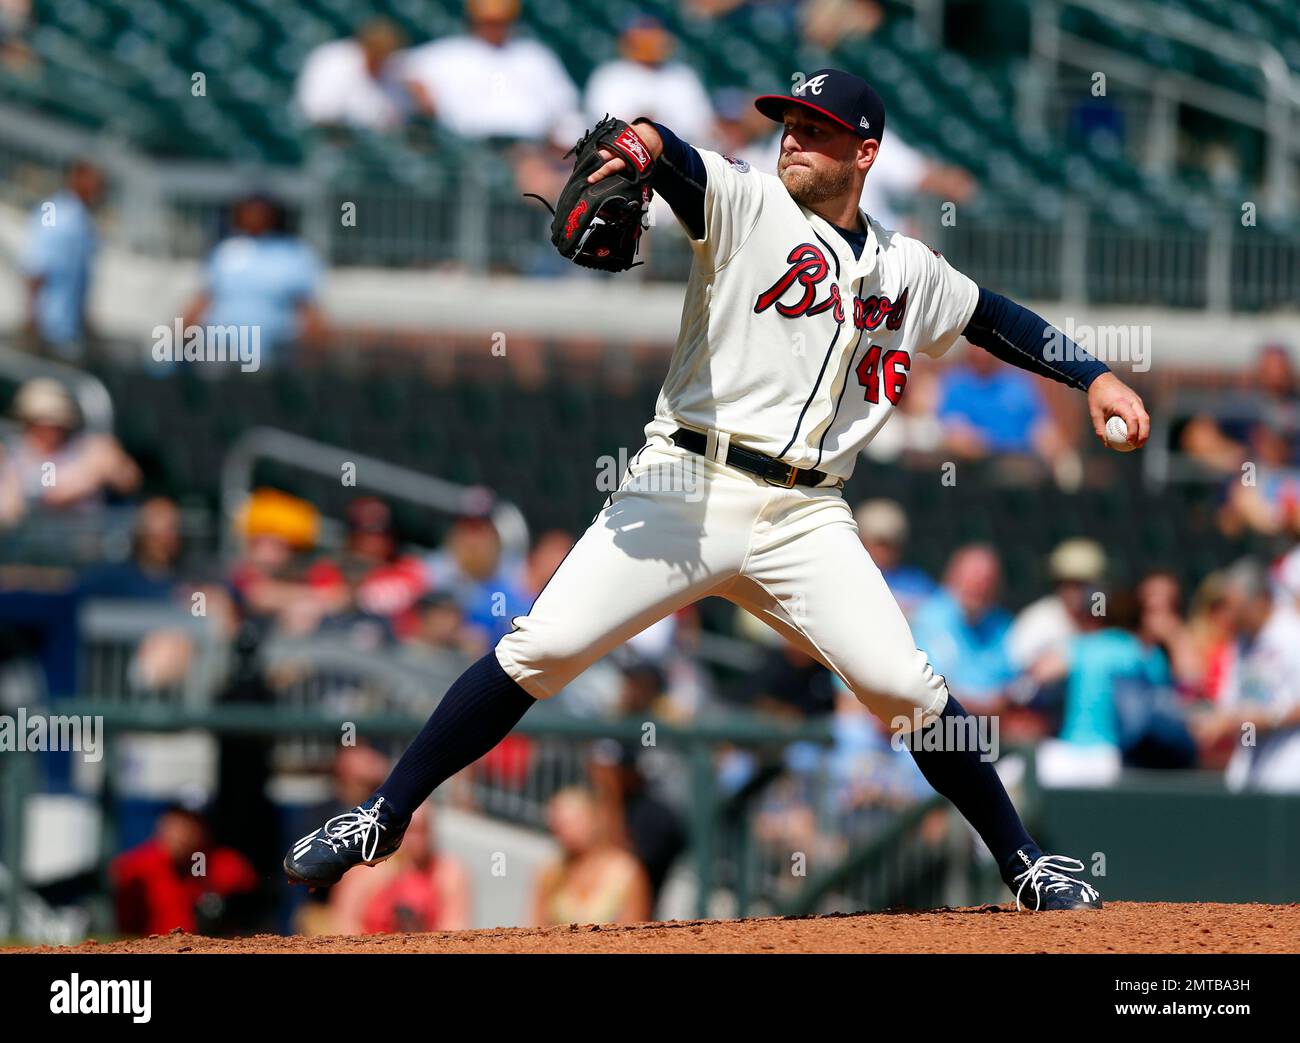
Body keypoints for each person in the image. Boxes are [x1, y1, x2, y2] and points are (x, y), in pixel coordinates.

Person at [286, 67, 1151, 911]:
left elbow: (994, 317)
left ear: (867, 152)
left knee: (908, 687)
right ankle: (383, 814)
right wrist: (637, 146)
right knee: (541, 650)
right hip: (684, 481)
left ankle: (1026, 865)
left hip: (807, 513)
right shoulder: (747, 203)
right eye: (789, 125)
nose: (795, 142)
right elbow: (673, 157)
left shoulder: (905, 267)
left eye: (817, 132)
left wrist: (1096, 377)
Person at [401, 0, 579, 142]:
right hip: (469, 145)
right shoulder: (451, 53)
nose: (494, 27)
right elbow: (401, 67)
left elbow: (563, 104)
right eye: (488, 21)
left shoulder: (533, 55)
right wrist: (423, 95)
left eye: (501, 21)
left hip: (528, 146)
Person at [180, 193, 326, 365]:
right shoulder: (226, 251)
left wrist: (315, 348)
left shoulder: (294, 254)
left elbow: (306, 306)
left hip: (271, 352)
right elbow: (205, 297)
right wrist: (182, 333)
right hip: (220, 348)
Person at [0, 378, 141, 525]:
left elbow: (130, 480)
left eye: (56, 424)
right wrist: (91, 474)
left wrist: (113, 464)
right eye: (40, 423)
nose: (49, 431)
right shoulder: (12, 454)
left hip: (84, 540)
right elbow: (51, 495)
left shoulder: (84, 447)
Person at [111, 804, 258, 936]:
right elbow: (124, 928)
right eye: (177, 824)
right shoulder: (138, 865)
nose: (183, 833)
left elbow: (246, 888)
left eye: (191, 824)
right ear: (162, 825)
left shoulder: (219, 862)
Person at [910, 545, 1016, 710]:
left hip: (989, 725)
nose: (979, 586)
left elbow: (1010, 683)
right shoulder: (928, 619)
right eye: (971, 579)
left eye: (987, 581)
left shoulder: (1001, 625)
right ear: (952, 578)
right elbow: (929, 688)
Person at [584, 16, 714, 147]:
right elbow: (602, 120)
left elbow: (700, 124)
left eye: (655, 37)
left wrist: (660, 126)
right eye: (643, 39)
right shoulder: (609, 75)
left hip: (677, 153)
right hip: (623, 151)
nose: (650, 44)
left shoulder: (682, 76)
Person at [529, 788, 652, 926]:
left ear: (594, 819)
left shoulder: (626, 872)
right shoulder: (550, 872)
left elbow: (633, 936)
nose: (564, 830)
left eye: (573, 821)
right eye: (559, 823)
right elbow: (535, 926)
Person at [21, 160, 104, 359]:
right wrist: (33, 323)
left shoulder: (82, 220)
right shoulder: (58, 215)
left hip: (68, 334)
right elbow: (36, 268)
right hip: (49, 331)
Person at [294, 18, 409, 130]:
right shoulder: (332, 60)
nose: (381, 61)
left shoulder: (392, 70)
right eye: (377, 53)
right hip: (325, 133)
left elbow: (397, 115)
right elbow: (316, 110)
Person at [853, 498, 935, 619]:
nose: (882, 552)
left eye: (889, 544)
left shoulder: (915, 581)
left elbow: (936, 613)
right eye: (877, 543)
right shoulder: (848, 576)